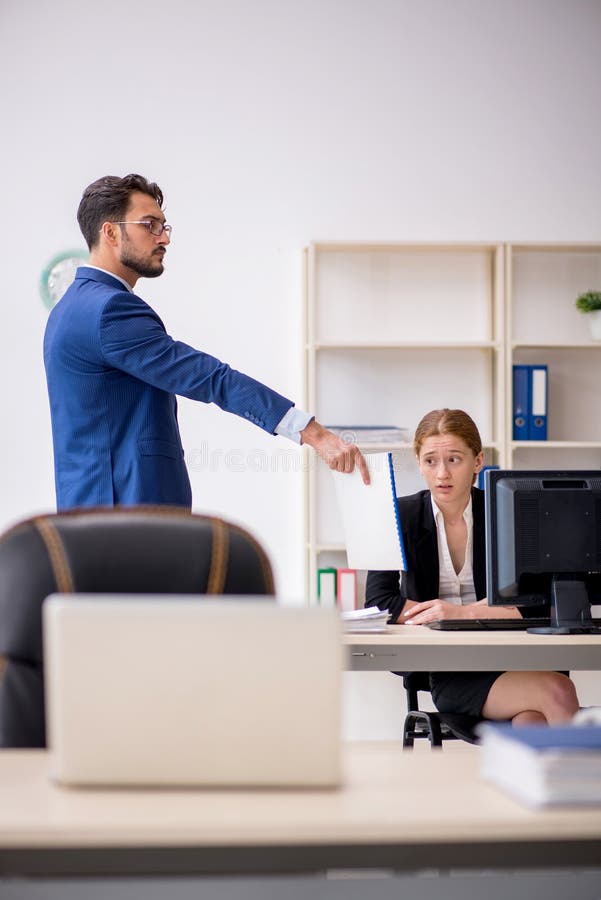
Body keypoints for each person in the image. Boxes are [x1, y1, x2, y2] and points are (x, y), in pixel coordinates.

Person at [44, 174, 369, 510]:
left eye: (164, 226)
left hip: (96, 509)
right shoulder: (109, 309)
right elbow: (209, 376)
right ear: (110, 232)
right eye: (150, 225)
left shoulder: (70, 308)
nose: (163, 238)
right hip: (127, 514)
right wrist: (316, 434)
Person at [366, 408, 579, 726]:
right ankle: (578, 776)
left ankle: (535, 776)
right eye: (430, 461)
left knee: (532, 720)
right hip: (450, 668)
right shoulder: (399, 516)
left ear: (477, 461)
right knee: (558, 692)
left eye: (454, 459)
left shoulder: (510, 512)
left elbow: (539, 602)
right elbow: (380, 603)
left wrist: (458, 614)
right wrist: (439, 618)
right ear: (419, 463)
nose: (442, 474)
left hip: (516, 654)